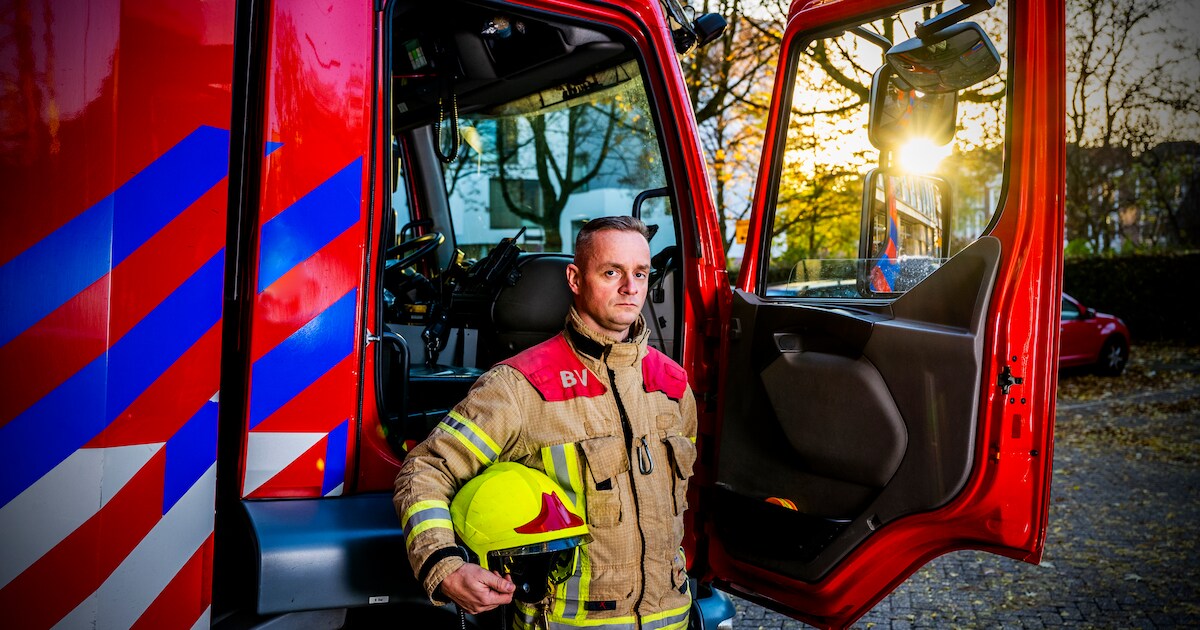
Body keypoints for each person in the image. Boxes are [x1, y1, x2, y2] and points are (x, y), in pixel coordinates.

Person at [394, 216, 698, 630]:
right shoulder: (519, 386)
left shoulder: (672, 385)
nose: (631, 288)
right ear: (574, 278)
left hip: (673, 620)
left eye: (640, 273)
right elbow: (426, 470)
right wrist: (443, 565)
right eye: (612, 272)